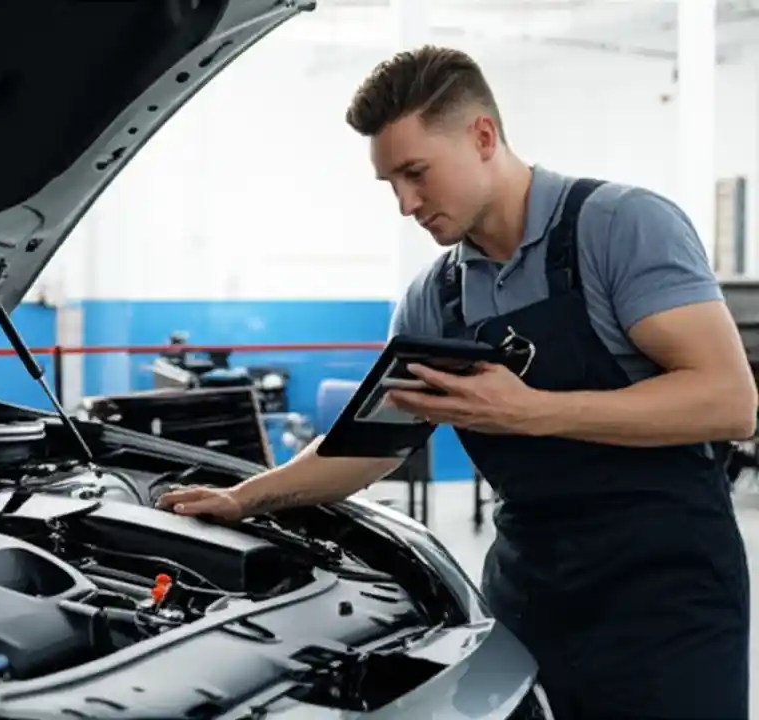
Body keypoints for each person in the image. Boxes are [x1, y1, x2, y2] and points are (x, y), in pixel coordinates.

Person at [157, 45, 754, 719]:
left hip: (666, 599)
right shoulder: (433, 300)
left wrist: (534, 413)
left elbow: (729, 401)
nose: (406, 205)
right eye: (390, 183)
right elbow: (367, 448)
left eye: (417, 173)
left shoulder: (620, 227)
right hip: (529, 598)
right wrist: (244, 499)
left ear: (483, 137)